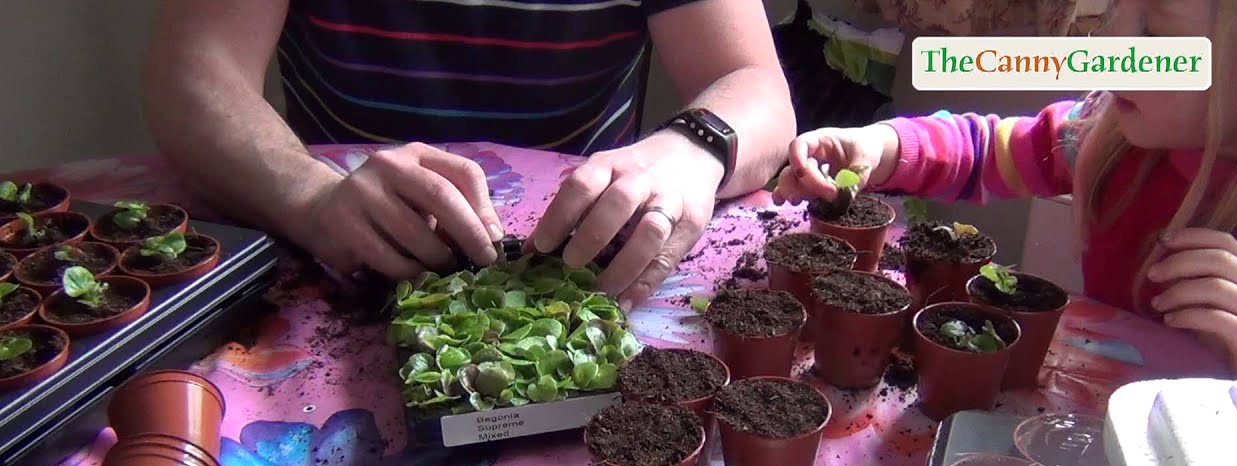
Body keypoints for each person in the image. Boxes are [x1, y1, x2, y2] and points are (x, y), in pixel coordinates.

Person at [144, 0, 794, 310]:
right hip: (342, 262)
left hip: (573, 272)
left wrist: (689, 152)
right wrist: (309, 197)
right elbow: (193, 75)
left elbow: (754, 86)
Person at [772, 0, 1237, 380]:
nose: (1105, 47)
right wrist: (878, 145)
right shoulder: (1104, 137)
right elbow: (984, 148)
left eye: (1153, 29)